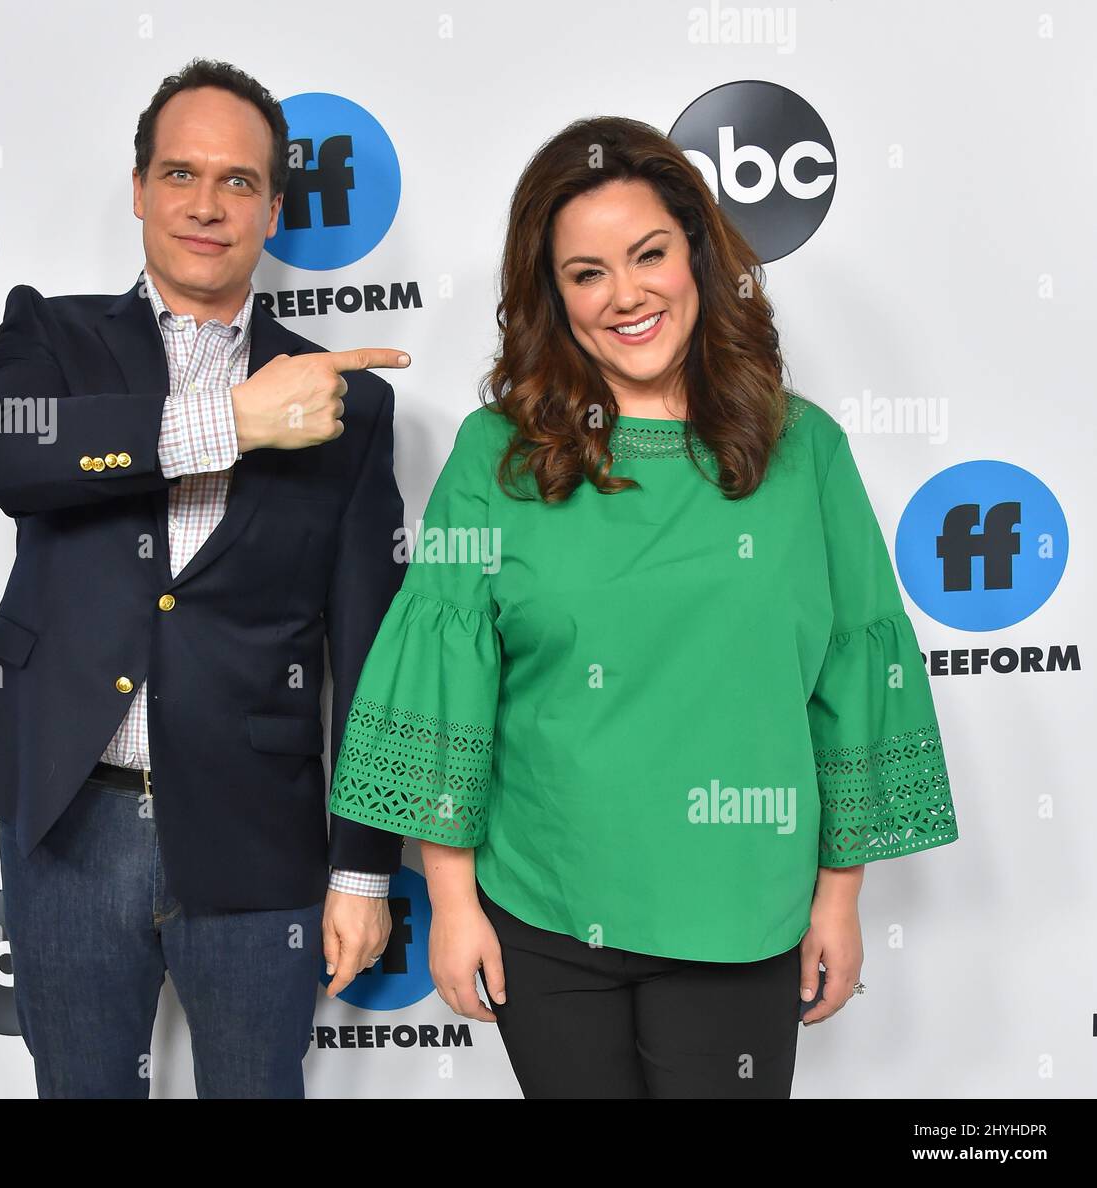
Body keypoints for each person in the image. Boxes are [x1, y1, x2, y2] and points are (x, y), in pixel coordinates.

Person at [327, 115, 961, 1098]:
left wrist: (839, 897)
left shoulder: (806, 452)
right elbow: (444, 686)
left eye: (647, 255)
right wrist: (451, 900)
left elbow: (851, 672)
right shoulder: (497, 459)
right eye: (586, 273)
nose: (624, 295)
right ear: (554, 297)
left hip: (741, 911)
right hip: (544, 911)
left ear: (698, 257)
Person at [0, 58, 412, 1098]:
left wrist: (364, 866)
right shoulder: (51, 337)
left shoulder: (346, 404)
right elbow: (8, 458)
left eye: (238, 182)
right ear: (142, 186)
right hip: (72, 818)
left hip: (258, 827)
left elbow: (372, 657)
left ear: (274, 207)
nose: (206, 205)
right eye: (181, 174)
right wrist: (236, 421)